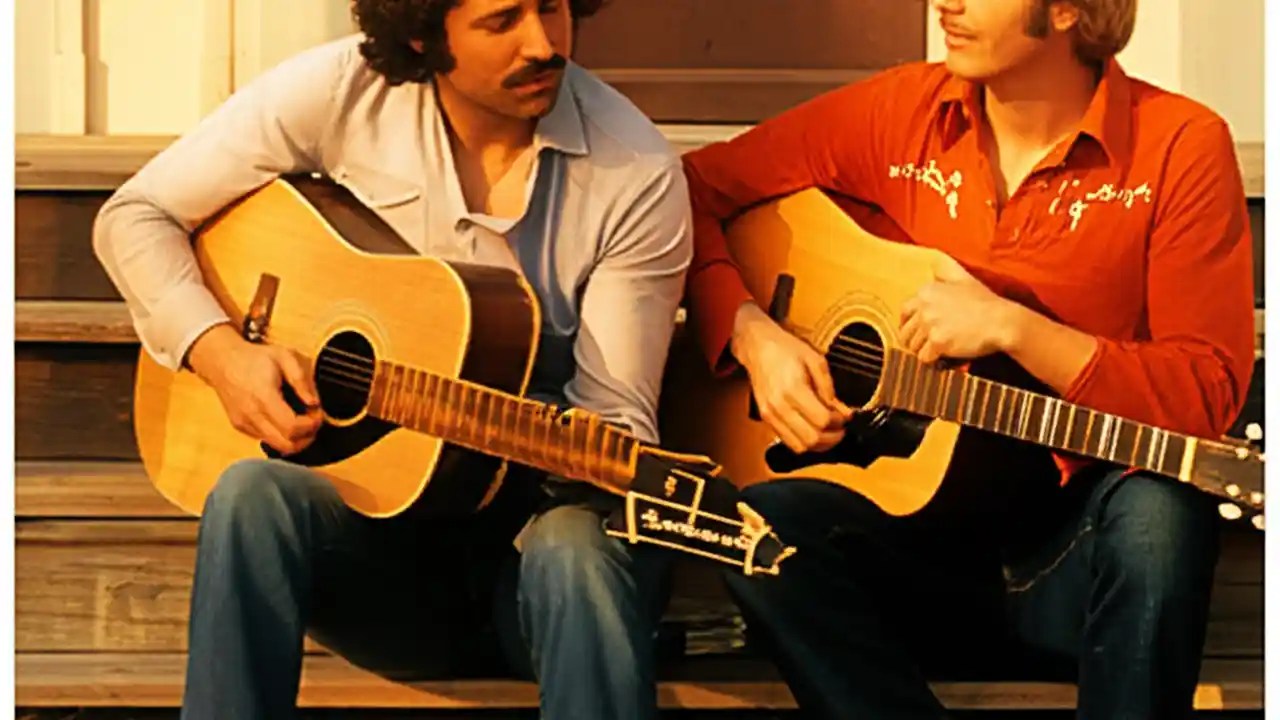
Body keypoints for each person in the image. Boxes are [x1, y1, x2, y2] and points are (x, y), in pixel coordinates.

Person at [92, 1, 693, 718]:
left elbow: (617, 417)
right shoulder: (341, 92)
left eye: (553, 7)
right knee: (255, 496)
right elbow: (137, 215)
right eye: (502, 21)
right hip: (385, 567)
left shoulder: (634, 169)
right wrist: (222, 354)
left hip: (540, 589)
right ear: (420, 31)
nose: (543, 43)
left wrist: (558, 448)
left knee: (576, 544)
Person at [680, 0, 1254, 717]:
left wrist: (1016, 330)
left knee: (1161, 514)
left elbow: (1207, 390)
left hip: (1074, 577)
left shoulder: (1179, 145)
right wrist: (750, 333)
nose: (945, 3)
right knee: (752, 525)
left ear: (1071, 9)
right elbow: (689, 190)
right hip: (910, 567)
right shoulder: (900, 111)